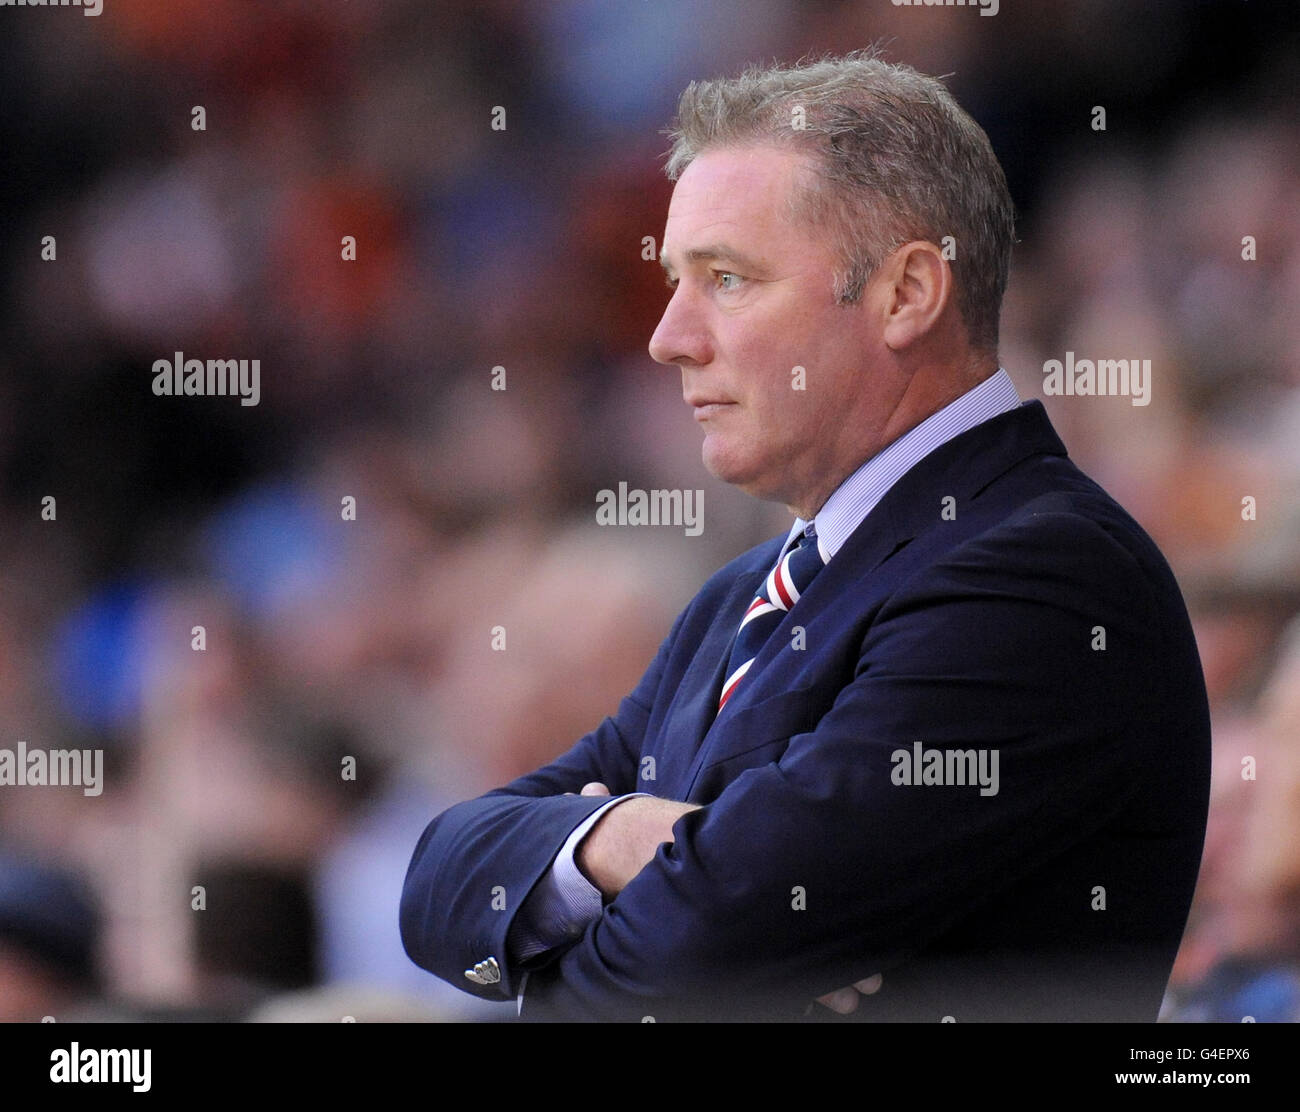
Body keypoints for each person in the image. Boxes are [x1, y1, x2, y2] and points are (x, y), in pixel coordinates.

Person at [400, 51, 1211, 1022]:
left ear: (907, 293)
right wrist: (620, 835)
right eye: (674, 281)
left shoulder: (1044, 579)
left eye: (727, 279)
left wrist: (599, 931)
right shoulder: (740, 593)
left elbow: (688, 964)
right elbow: (439, 878)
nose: (668, 336)